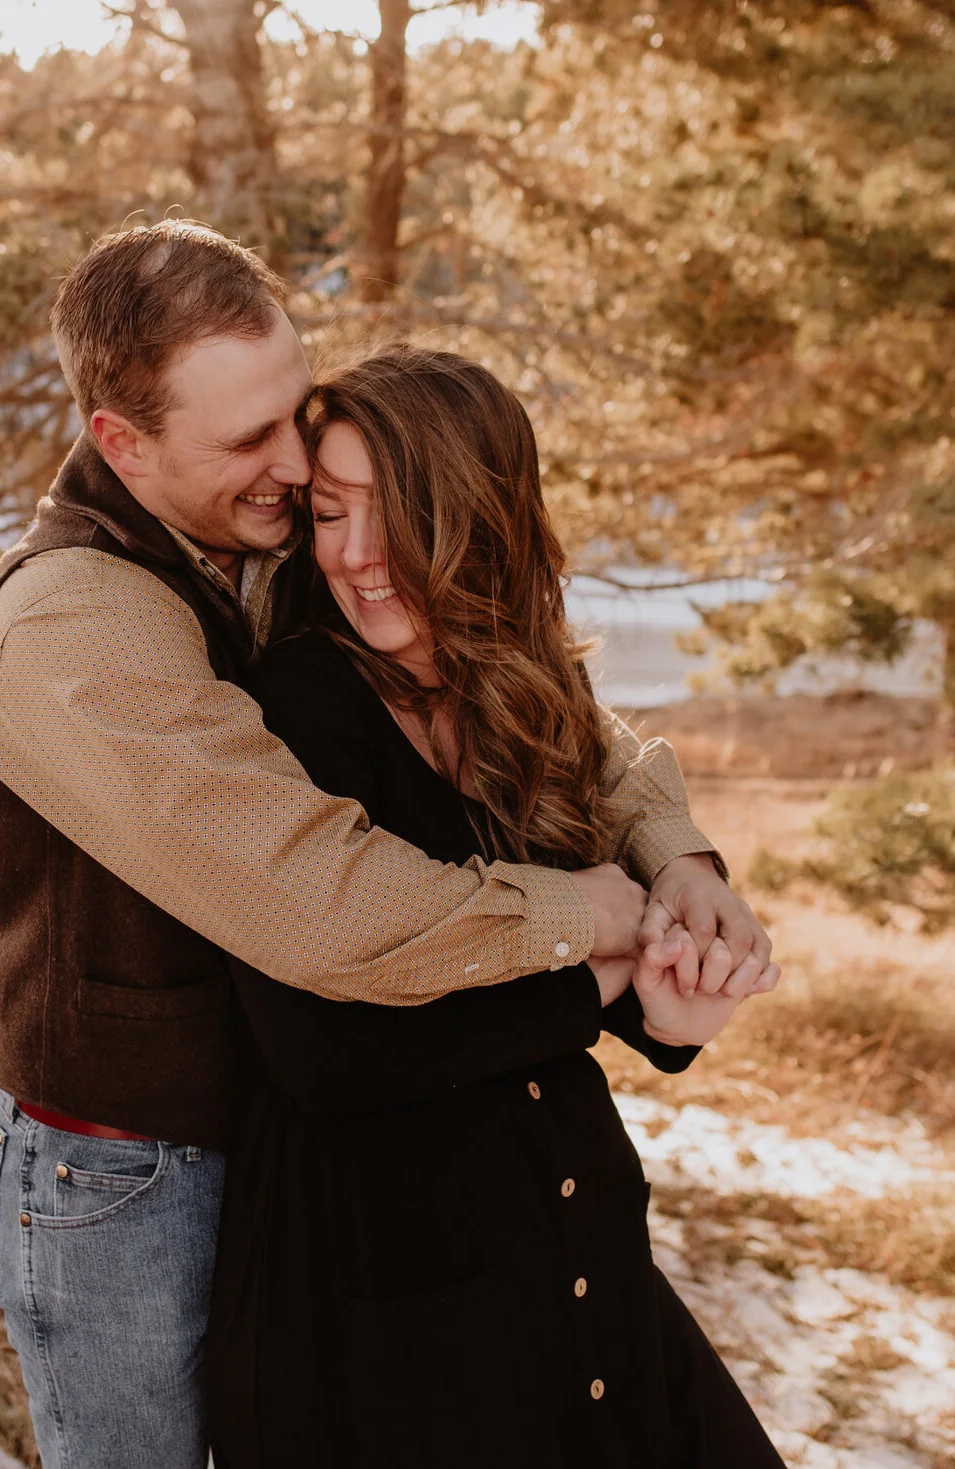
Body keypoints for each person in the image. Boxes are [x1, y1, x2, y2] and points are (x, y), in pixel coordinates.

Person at [0, 221, 774, 1469]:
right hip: (126, 1176)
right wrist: (595, 918)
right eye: (246, 440)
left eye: (291, 414)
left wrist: (676, 858)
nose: (290, 466)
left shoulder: (264, 542)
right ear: (122, 441)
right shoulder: (72, 626)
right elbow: (324, 901)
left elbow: (543, 707)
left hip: (305, 1135)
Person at [206, 345, 786, 1468]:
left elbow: (581, 969)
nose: (358, 557)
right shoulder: (297, 707)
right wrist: (594, 979)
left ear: (482, 517)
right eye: (329, 513)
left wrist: (673, 1007)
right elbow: (322, 1049)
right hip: (390, 1309)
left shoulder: (519, 693)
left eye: (398, 517)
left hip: (580, 1259)